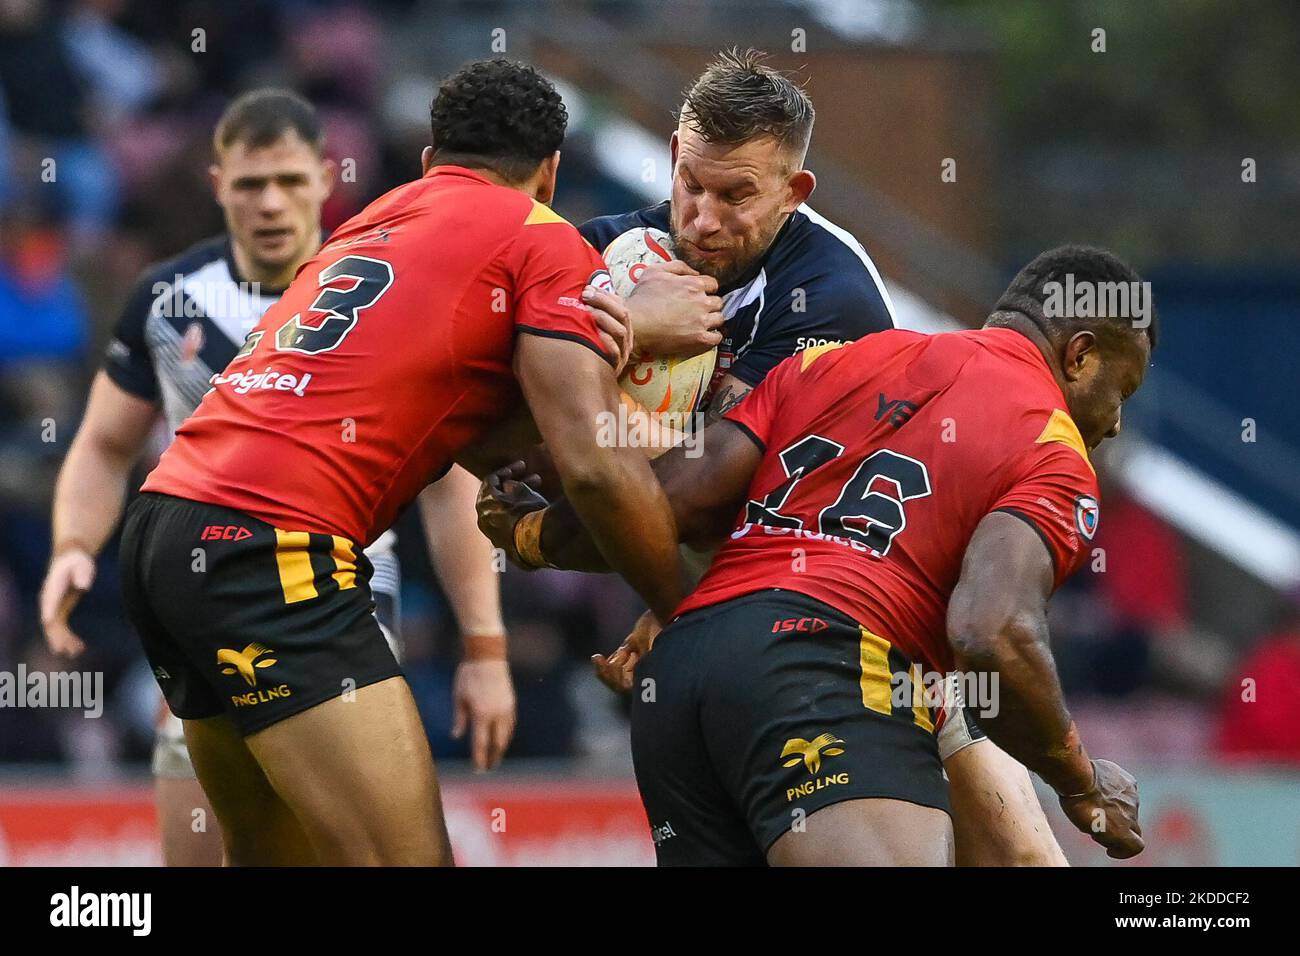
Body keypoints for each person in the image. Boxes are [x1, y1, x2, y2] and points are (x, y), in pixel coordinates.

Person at [113, 59, 683, 866]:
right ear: (550, 174)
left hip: (163, 531)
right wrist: (677, 601)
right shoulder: (540, 237)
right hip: (271, 549)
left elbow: (453, 420)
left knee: (277, 857)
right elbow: (593, 462)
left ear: (430, 161)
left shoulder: (370, 221)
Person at [479, 245, 1152, 866]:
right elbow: (990, 631)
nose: (1116, 422)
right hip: (828, 671)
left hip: (684, 679)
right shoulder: (1052, 449)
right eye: (1121, 392)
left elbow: (673, 497)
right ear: (1080, 355)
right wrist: (1081, 780)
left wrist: (536, 535)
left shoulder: (834, 360)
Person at [577, 48, 1066, 865]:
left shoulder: (830, 291)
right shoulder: (616, 252)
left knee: (1017, 854)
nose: (702, 218)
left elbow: (734, 482)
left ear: (795, 192)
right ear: (671, 157)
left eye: (737, 196)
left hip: (877, 598)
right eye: (692, 185)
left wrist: (662, 585)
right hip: (747, 616)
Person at [39, 89, 515, 865]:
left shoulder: (391, 289)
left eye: (291, 182)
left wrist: (486, 648)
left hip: (337, 601)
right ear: (217, 181)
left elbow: (447, 482)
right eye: (252, 183)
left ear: (327, 180)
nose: (271, 203)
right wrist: (70, 544)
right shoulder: (169, 300)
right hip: (201, 595)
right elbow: (100, 446)